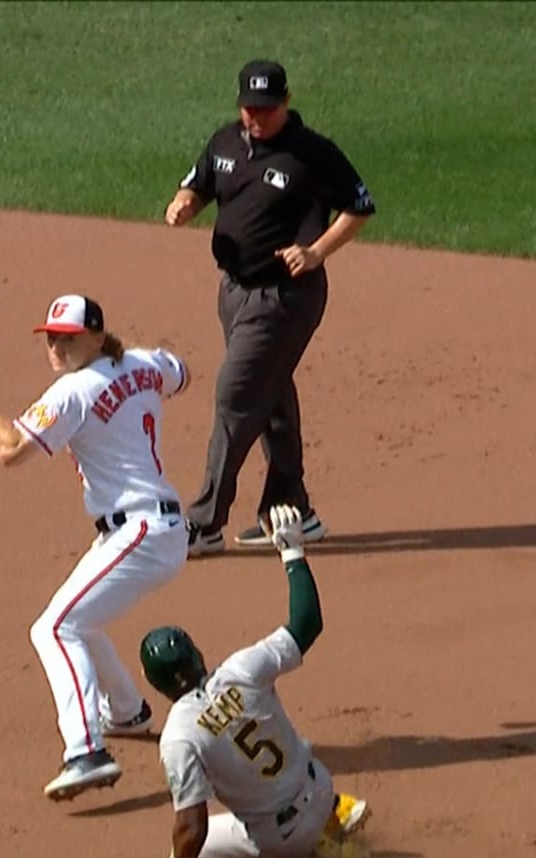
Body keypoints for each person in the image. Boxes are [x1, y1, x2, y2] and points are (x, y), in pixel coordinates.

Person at [0, 294, 193, 802]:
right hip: (151, 530)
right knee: (79, 617)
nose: (56, 346)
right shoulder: (142, 362)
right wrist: (132, 367)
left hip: (141, 534)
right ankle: (125, 710)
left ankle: (85, 750)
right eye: (51, 337)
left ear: (97, 336)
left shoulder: (72, 391)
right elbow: (180, 371)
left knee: (55, 627)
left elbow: (8, 450)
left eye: (69, 337)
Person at [164, 59, 376, 557]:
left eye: (267, 108)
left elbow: (359, 206)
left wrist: (317, 251)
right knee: (270, 392)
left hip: (286, 297)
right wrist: (185, 205)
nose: (256, 117)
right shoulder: (226, 142)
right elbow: (198, 185)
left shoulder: (313, 153)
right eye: (249, 108)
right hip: (234, 292)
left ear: (286, 102)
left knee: (236, 393)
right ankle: (293, 508)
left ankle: (204, 523)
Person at [139, 505, 372, 858]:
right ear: (197, 655)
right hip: (322, 792)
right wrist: (293, 550)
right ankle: (330, 829)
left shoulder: (179, 735)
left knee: (183, 852)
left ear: (153, 683)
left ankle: (314, 851)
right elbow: (307, 623)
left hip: (281, 837)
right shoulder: (243, 669)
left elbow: (192, 827)